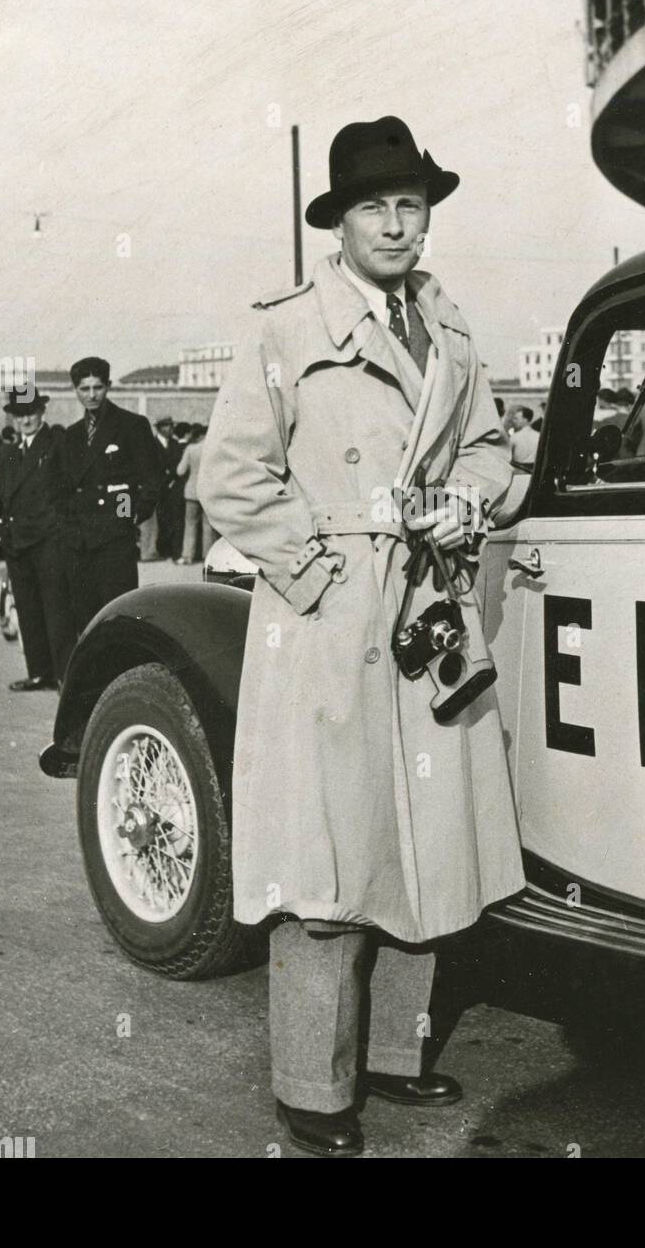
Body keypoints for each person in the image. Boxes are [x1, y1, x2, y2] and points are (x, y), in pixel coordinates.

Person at [199, 114, 524, 1158]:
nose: (396, 223)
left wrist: (467, 507)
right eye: (374, 206)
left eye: (412, 205)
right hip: (329, 620)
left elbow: (485, 447)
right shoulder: (285, 329)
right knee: (326, 857)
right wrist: (312, 567)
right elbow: (231, 477)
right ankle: (311, 1086)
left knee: (425, 842)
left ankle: (395, 1053)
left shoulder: (451, 328)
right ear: (337, 222)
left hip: (426, 613)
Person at [56, 356, 163, 631]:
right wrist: (67, 526)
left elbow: (149, 479)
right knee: (85, 620)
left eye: (98, 387)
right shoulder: (71, 435)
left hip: (114, 542)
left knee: (118, 617)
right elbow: (63, 487)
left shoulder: (131, 425)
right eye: (84, 389)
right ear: (75, 391)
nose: (91, 395)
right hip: (79, 543)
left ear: (108, 386)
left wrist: (126, 516)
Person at [0, 390, 76, 691]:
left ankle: (65, 675)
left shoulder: (55, 443)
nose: (25, 419)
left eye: (31, 412)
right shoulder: (13, 452)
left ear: (42, 412)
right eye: (19, 414)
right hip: (18, 542)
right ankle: (40, 671)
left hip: (47, 541)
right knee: (28, 610)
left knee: (57, 611)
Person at [175, 423, 215, 564]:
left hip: (192, 490)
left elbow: (180, 470)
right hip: (209, 491)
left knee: (190, 524)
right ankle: (208, 557)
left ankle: (187, 556)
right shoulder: (213, 449)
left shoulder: (191, 449)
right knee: (208, 526)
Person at [152, 416, 184, 560]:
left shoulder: (175, 444)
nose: (171, 429)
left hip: (173, 487)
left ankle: (172, 549)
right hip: (159, 488)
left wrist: (171, 477)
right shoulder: (151, 444)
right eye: (167, 426)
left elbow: (178, 464)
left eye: (171, 426)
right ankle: (162, 549)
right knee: (161, 518)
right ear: (159, 428)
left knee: (173, 518)